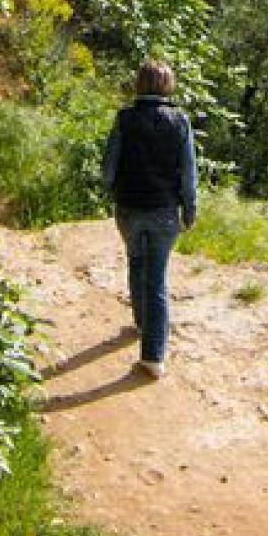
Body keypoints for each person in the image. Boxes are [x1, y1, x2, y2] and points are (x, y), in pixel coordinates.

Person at [100, 60, 198, 379]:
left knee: (135, 262)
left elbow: (108, 169)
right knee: (157, 279)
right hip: (164, 210)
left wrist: (113, 192)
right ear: (168, 85)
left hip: (129, 207)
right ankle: (153, 356)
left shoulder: (125, 119)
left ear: (139, 84)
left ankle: (143, 323)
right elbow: (189, 174)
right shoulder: (180, 121)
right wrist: (190, 210)